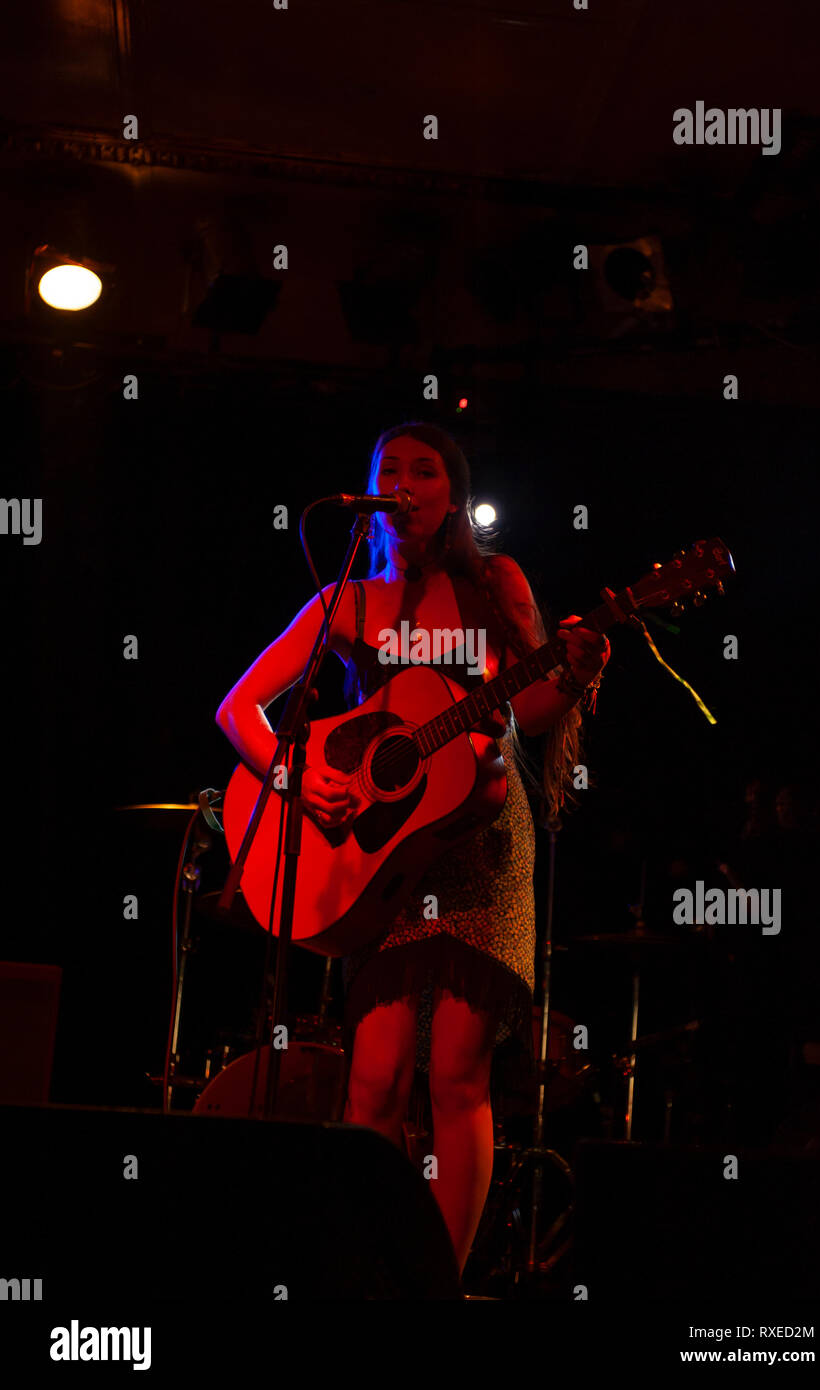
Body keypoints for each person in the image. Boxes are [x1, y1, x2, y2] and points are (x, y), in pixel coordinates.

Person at [215, 422, 610, 1279]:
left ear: (453, 494)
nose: (405, 482)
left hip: (479, 838)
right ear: (368, 494)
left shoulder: (493, 583)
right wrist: (290, 779)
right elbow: (238, 709)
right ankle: (368, 1271)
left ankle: (436, 1282)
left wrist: (573, 673)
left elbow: (524, 711)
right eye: (388, 470)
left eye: (423, 471)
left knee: (457, 1076)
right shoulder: (344, 604)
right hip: (380, 852)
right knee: (375, 1080)